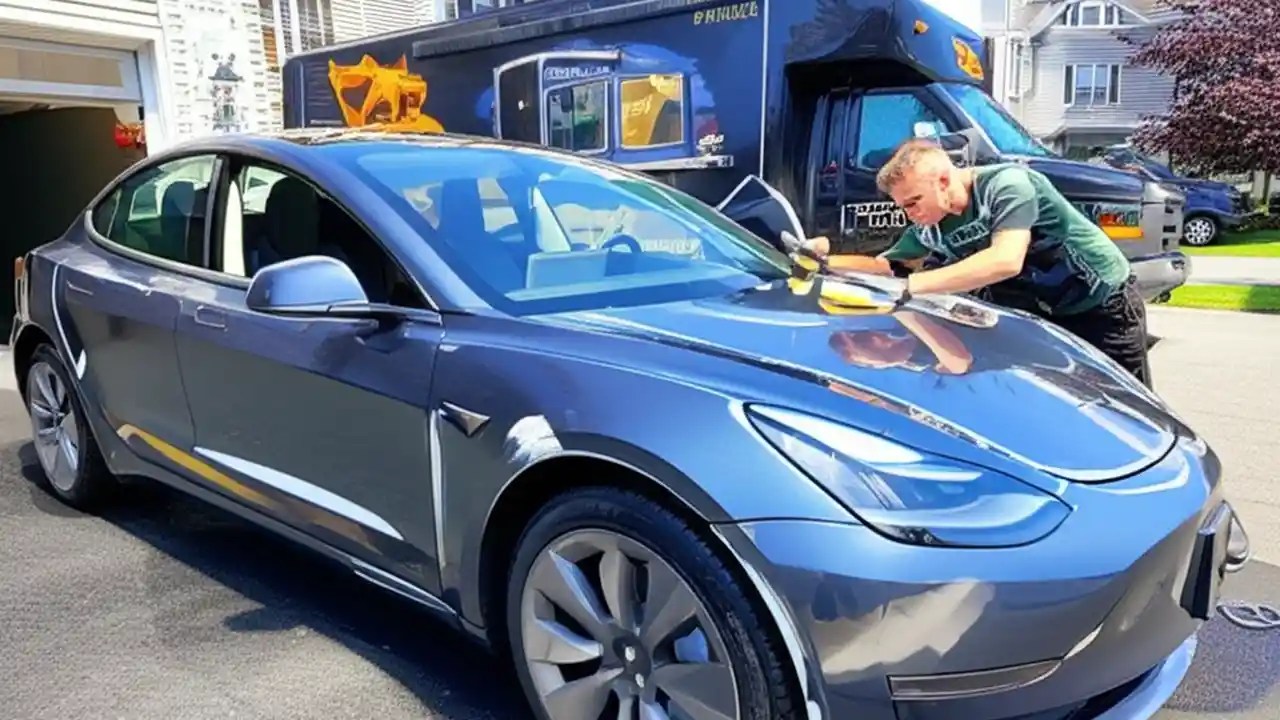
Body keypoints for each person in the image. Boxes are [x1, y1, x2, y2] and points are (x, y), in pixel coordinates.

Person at [805, 138, 1152, 387]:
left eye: (913, 202)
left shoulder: (1007, 185)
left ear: (943, 181)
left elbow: (1006, 259)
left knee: (1127, 411)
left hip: (1104, 306)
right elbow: (888, 266)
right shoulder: (932, 226)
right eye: (903, 207)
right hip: (1046, 315)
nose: (909, 214)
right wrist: (823, 261)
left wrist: (909, 288)